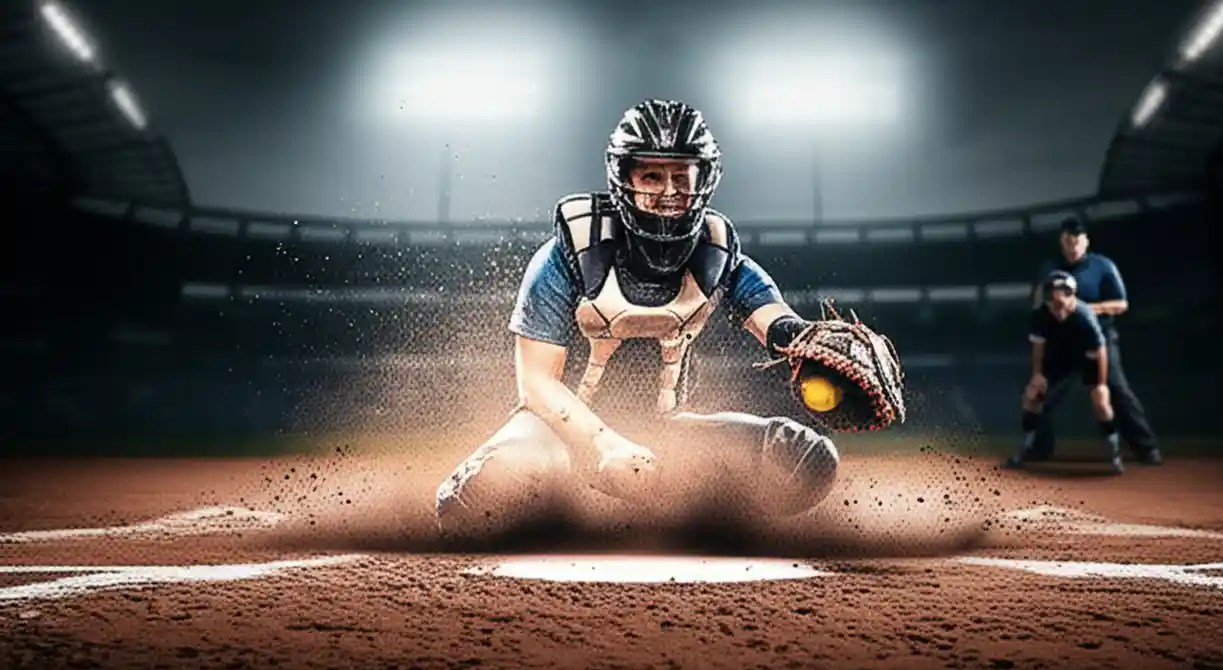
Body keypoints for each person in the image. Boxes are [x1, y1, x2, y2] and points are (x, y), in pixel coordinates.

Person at [433, 99, 902, 543]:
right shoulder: (571, 252)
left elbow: (773, 321)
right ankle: (522, 490)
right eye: (652, 176)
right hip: (560, 431)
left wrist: (805, 338)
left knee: (804, 459)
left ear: (706, 178)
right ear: (624, 179)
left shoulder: (718, 252)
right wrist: (603, 446)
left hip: (659, 435)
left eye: (682, 175)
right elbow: (535, 385)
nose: (670, 192)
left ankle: (682, 517)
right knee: (502, 486)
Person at [1023, 217, 1162, 465]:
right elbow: (1037, 301)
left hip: (1098, 338)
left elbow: (1121, 304)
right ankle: (1038, 449)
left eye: (1077, 240)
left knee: (1117, 390)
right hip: (1061, 342)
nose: (1072, 245)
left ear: (1086, 241)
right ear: (1061, 242)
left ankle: (1146, 448)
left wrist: (1084, 308)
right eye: (1067, 240)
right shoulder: (1050, 268)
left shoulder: (1103, 266)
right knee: (1040, 391)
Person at [1006, 271, 1124, 474]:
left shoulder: (1084, 316)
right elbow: (1038, 347)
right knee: (1032, 396)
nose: (1058, 303)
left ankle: (1115, 454)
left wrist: (1101, 383)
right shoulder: (1040, 316)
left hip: (1086, 357)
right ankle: (1025, 448)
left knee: (1101, 401)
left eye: (1064, 296)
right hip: (1058, 359)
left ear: (1073, 296)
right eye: (1052, 298)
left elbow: (1100, 350)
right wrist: (1037, 374)